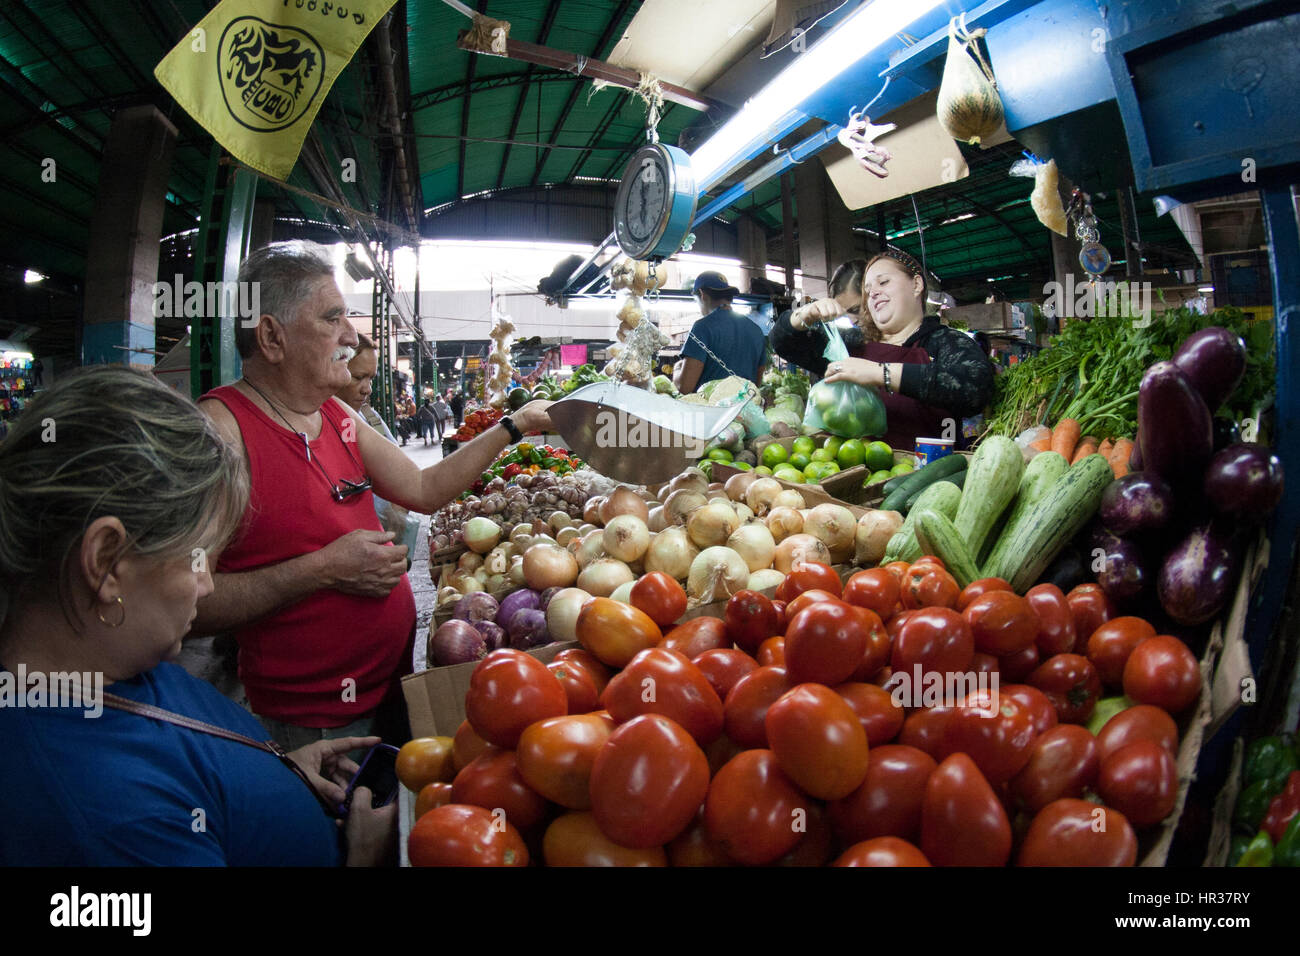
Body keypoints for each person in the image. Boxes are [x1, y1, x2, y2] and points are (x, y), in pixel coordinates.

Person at [0, 366, 395, 865]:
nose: (208, 584)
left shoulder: (105, 659)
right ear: (105, 562)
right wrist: (360, 857)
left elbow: (177, 761)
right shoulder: (101, 817)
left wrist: (275, 776)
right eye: (200, 557)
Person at [192, 241, 552, 752]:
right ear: (272, 336)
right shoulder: (221, 432)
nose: (349, 336)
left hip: (391, 682)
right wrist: (322, 568)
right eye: (333, 318)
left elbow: (423, 489)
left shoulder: (337, 415)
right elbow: (190, 599)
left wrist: (512, 428)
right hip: (314, 723)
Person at [774, 249, 994, 450]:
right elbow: (785, 343)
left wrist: (881, 373)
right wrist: (803, 316)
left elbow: (975, 388)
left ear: (917, 285)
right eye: (868, 291)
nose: (874, 293)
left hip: (924, 477)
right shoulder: (851, 344)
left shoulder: (944, 341)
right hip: (851, 478)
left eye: (884, 282)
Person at [335, 335, 419, 556]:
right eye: (358, 377)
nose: (367, 389)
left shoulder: (370, 419)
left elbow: (406, 480)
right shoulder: (315, 427)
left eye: (370, 379)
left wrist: (396, 518)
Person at [675, 271, 768, 395]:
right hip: (746, 410)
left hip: (713, 412)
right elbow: (756, 383)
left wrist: (677, 370)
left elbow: (685, 387)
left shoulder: (702, 327)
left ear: (702, 295)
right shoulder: (756, 330)